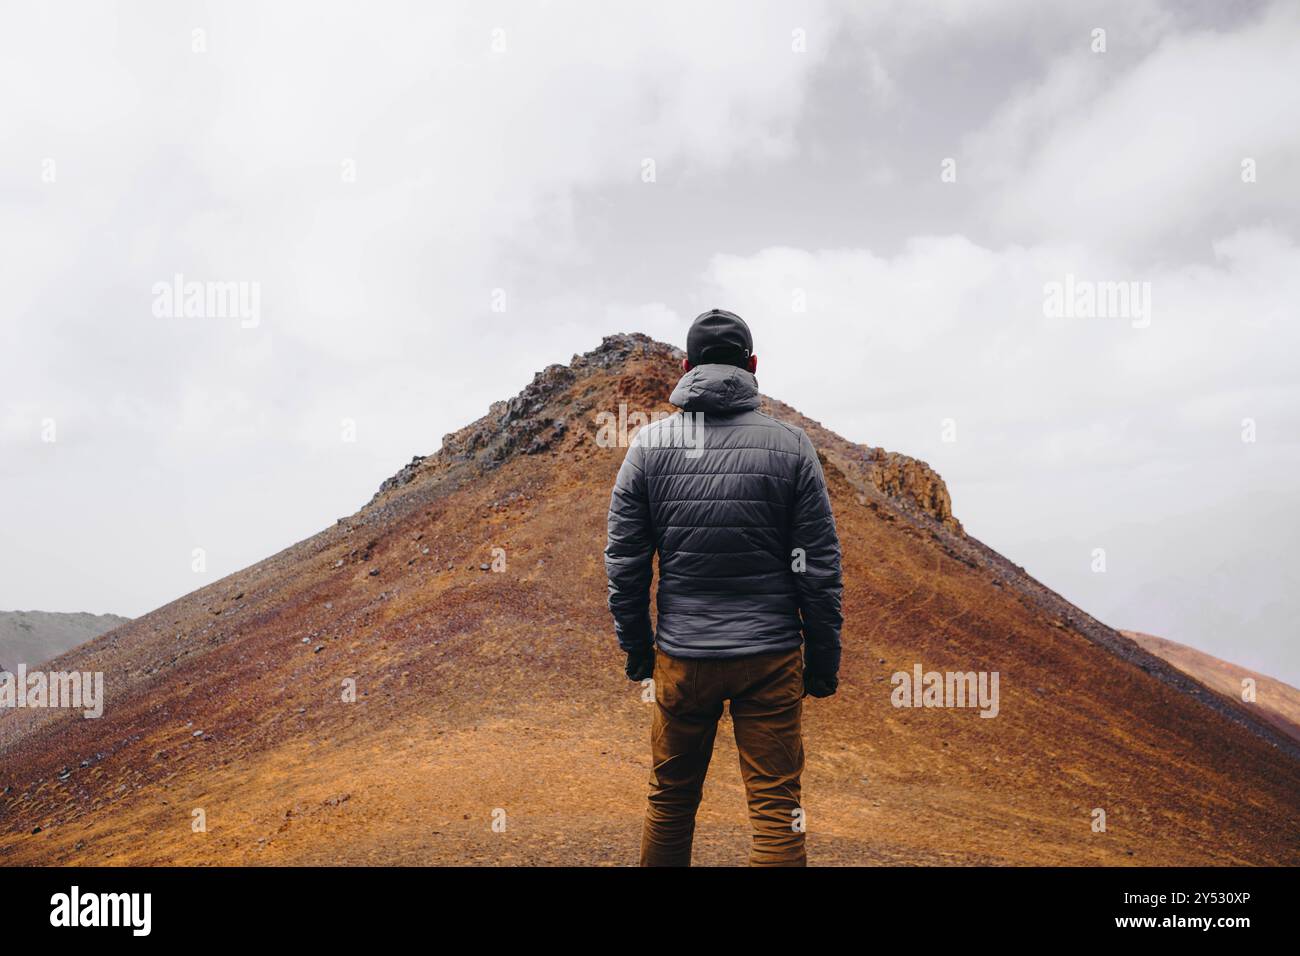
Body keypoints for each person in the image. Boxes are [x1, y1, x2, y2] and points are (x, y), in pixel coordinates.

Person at [604, 307, 843, 867]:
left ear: (687, 367)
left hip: (684, 659)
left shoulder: (648, 447)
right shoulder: (791, 447)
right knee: (777, 808)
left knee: (670, 802)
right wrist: (823, 663)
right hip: (772, 656)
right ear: (753, 366)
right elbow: (820, 568)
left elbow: (626, 565)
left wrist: (640, 652)